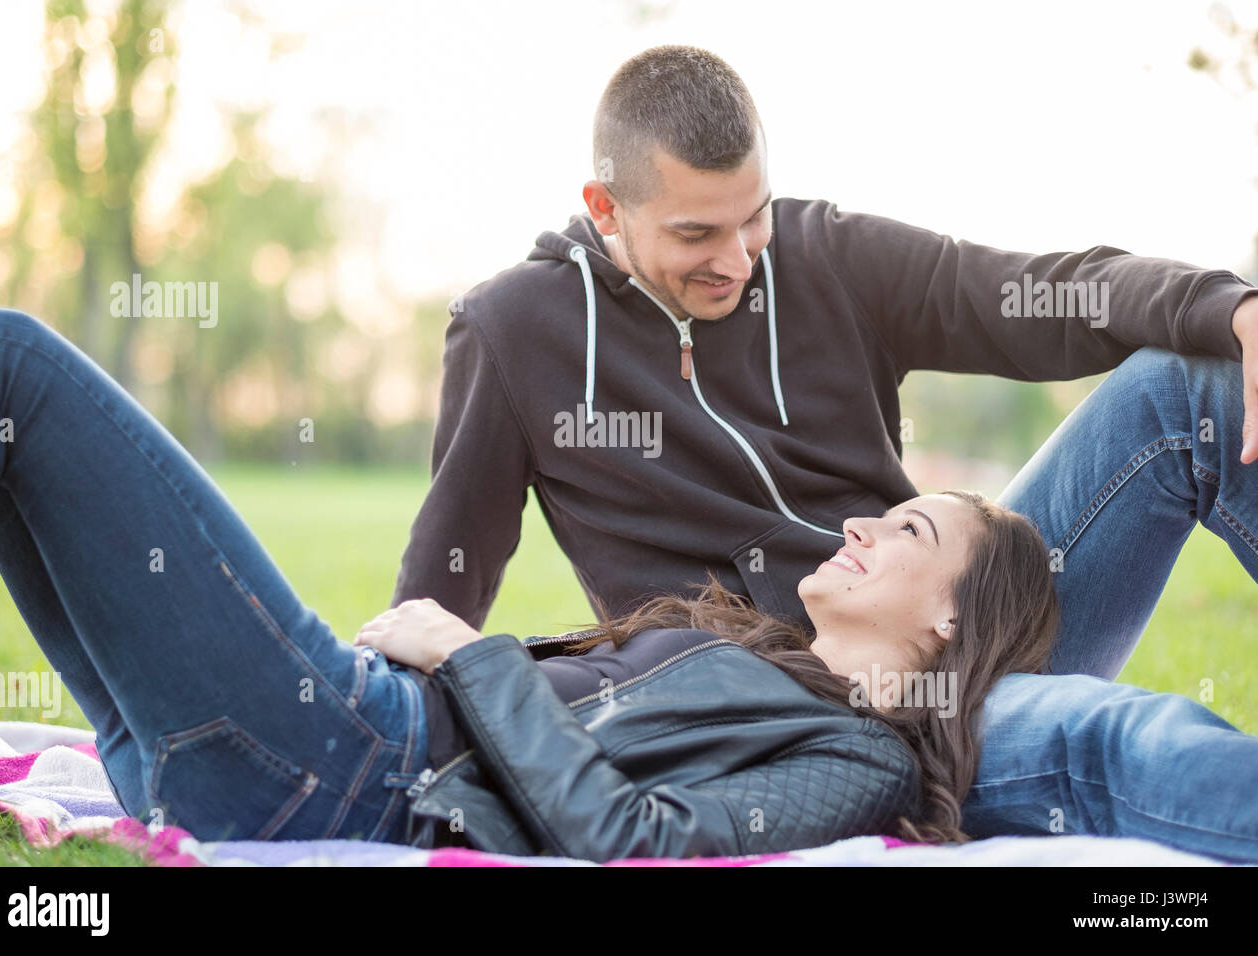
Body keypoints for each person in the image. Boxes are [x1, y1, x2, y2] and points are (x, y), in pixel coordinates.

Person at [391, 45, 1258, 862]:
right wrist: (399, 721)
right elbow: (444, 579)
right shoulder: (513, 330)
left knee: (1191, 386)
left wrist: (1232, 308)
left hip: (938, 612)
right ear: (606, 206)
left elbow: (1036, 294)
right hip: (799, 721)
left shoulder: (826, 255)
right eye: (698, 235)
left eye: (754, 217)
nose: (737, 260)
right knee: (1104, 740)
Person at [0, 306, 1057, 858]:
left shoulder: (863, 756)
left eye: (907, 525)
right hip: (328, 728)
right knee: (11, 430)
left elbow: (632, 835)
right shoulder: (778, 658)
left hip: (350, 761)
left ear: (950, 614)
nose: (864, 520)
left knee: (3, 359)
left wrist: (465, 651)